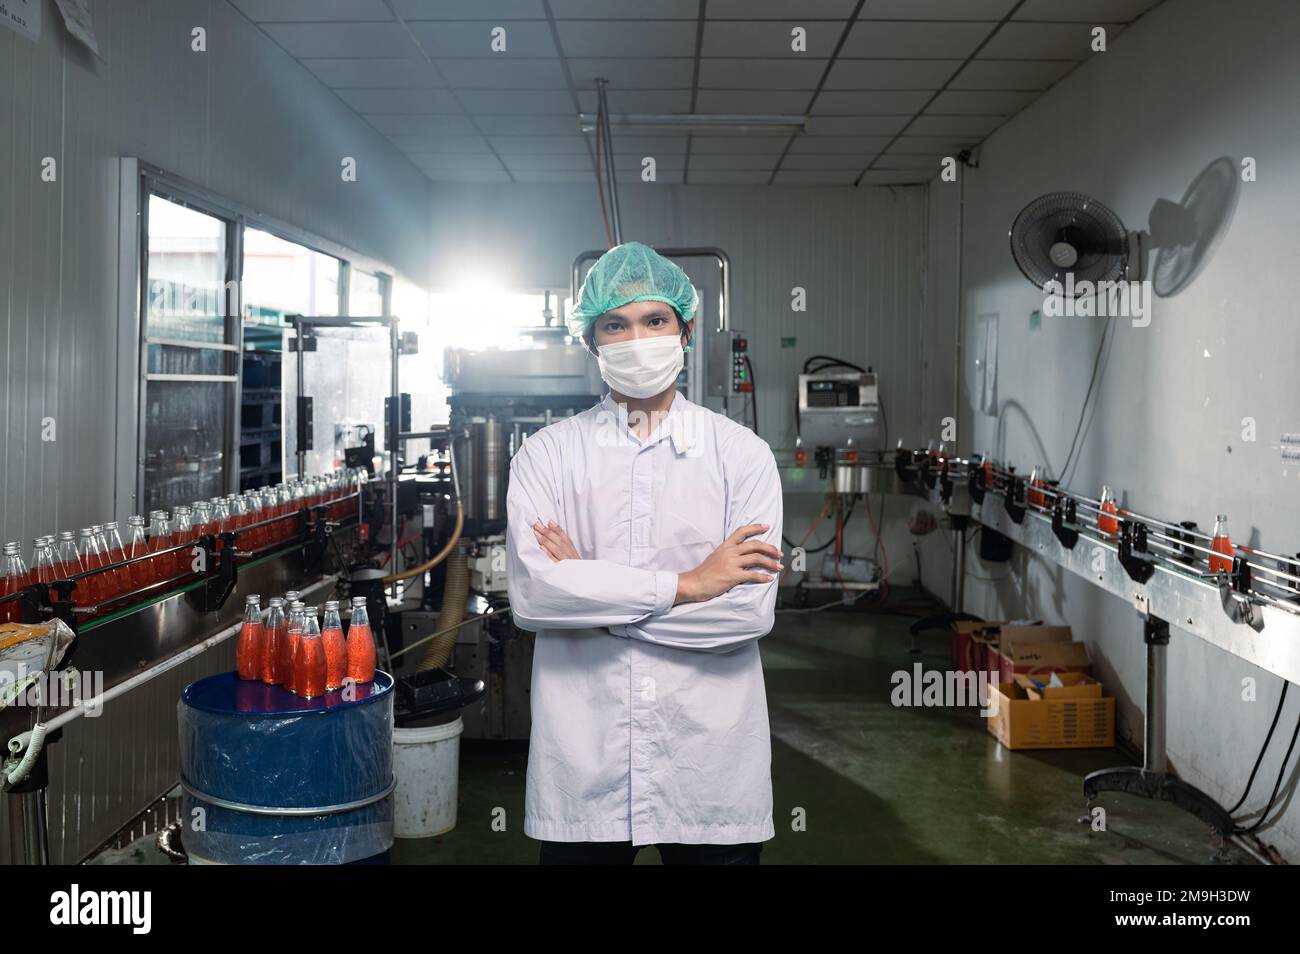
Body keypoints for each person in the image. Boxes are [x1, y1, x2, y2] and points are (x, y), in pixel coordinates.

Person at [505, 241, 784, 865]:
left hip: (709, 762)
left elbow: (746, 614)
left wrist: (591, 590)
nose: (637, 339)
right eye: (616, 324)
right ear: (591, 341)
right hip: (586, 760)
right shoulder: (546, 455)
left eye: (654, 321)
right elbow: (534, 598)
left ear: (684, 329)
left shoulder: (741, 456)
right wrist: (688, 584)